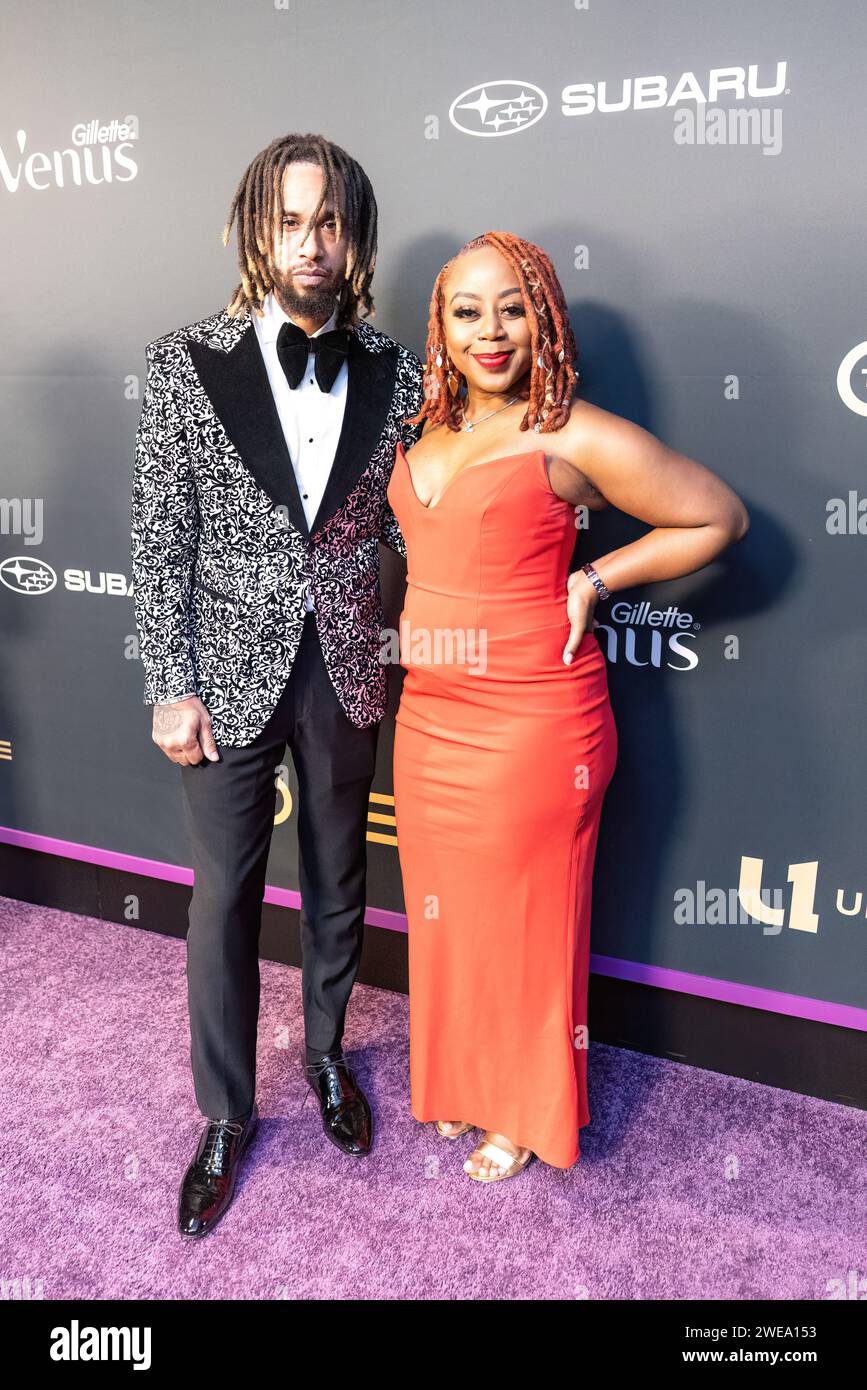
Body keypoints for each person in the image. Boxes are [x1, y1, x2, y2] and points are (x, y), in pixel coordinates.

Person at [387, 230, 749, 1182]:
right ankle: (464, 1082)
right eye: (467, 313)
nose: (490, 332)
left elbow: (715, 515)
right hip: (428, 719)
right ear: (443, 327)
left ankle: (522, 1111)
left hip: (533, 726)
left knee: (523, 920)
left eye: (511, 307)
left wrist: (598, 574)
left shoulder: (571, 433)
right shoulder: (425, 431)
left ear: (542, 314)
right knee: (451, 915)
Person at [130, 132, 431, 1239]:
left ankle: (327, 1054)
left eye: (331, 222)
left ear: (356, 235)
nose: (312, 244)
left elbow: (429, 515)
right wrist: (172, 680)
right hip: (221, 670)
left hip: (350, 661)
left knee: (340, 879)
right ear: (256, 227)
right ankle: (224, 1114)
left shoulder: (402, 369)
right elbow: (162, 536)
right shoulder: (180, 362)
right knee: (223, 901)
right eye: (291, 221)